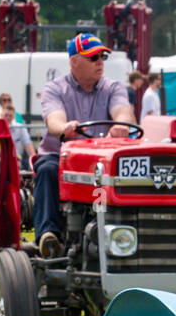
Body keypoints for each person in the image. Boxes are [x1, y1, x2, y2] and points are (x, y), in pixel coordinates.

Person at [32, 32, 136, 257]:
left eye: (102, 57)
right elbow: (54, 120)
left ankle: (130, 234)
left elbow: (122, 111)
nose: (100, 62)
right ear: (74, 61)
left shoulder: (113, 88)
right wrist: (64, 127)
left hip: (102, 160)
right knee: (47, 169)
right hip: (64, 157)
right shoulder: (55, 89)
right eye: (93, 57)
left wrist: (122, 126)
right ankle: (49, 236)